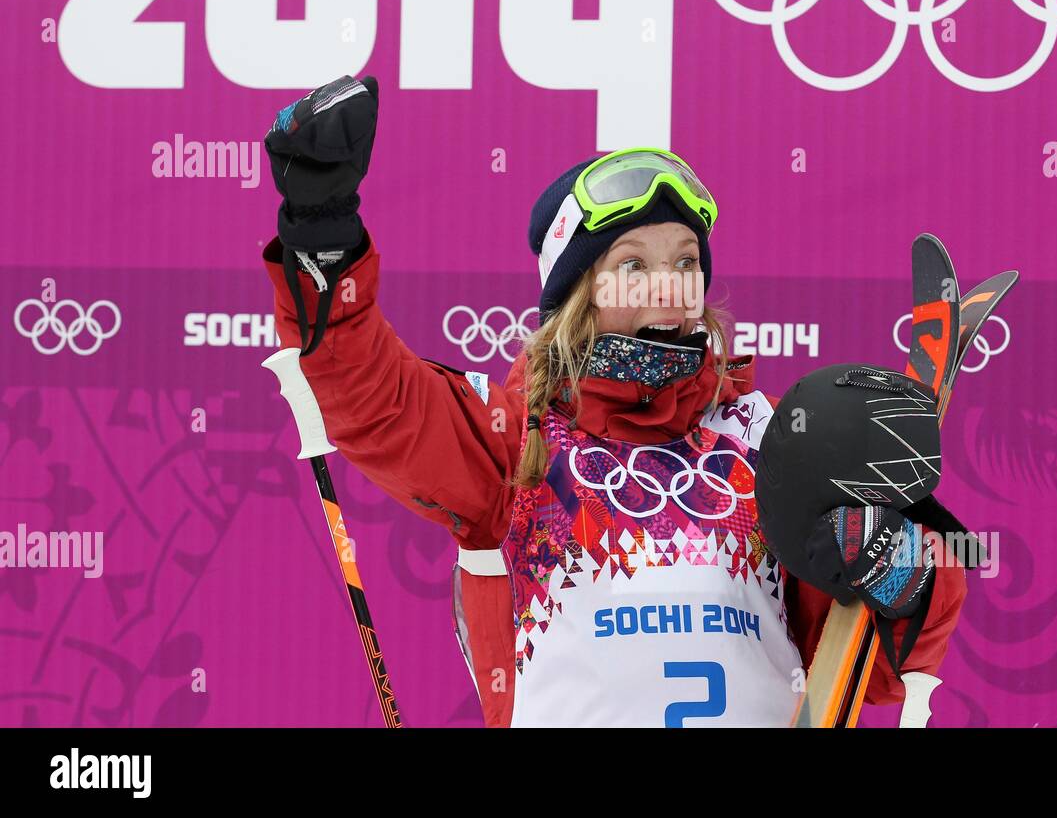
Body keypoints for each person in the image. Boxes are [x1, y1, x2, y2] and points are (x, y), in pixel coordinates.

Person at [260, 75, 967, 727]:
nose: (669, 288)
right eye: (634, 265)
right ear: (579, 297)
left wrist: (898, 566)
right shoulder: (513, 442)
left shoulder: (766, 438)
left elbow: (870, 671)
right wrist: (323, 239)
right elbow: (373, 400)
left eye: (686, 263)